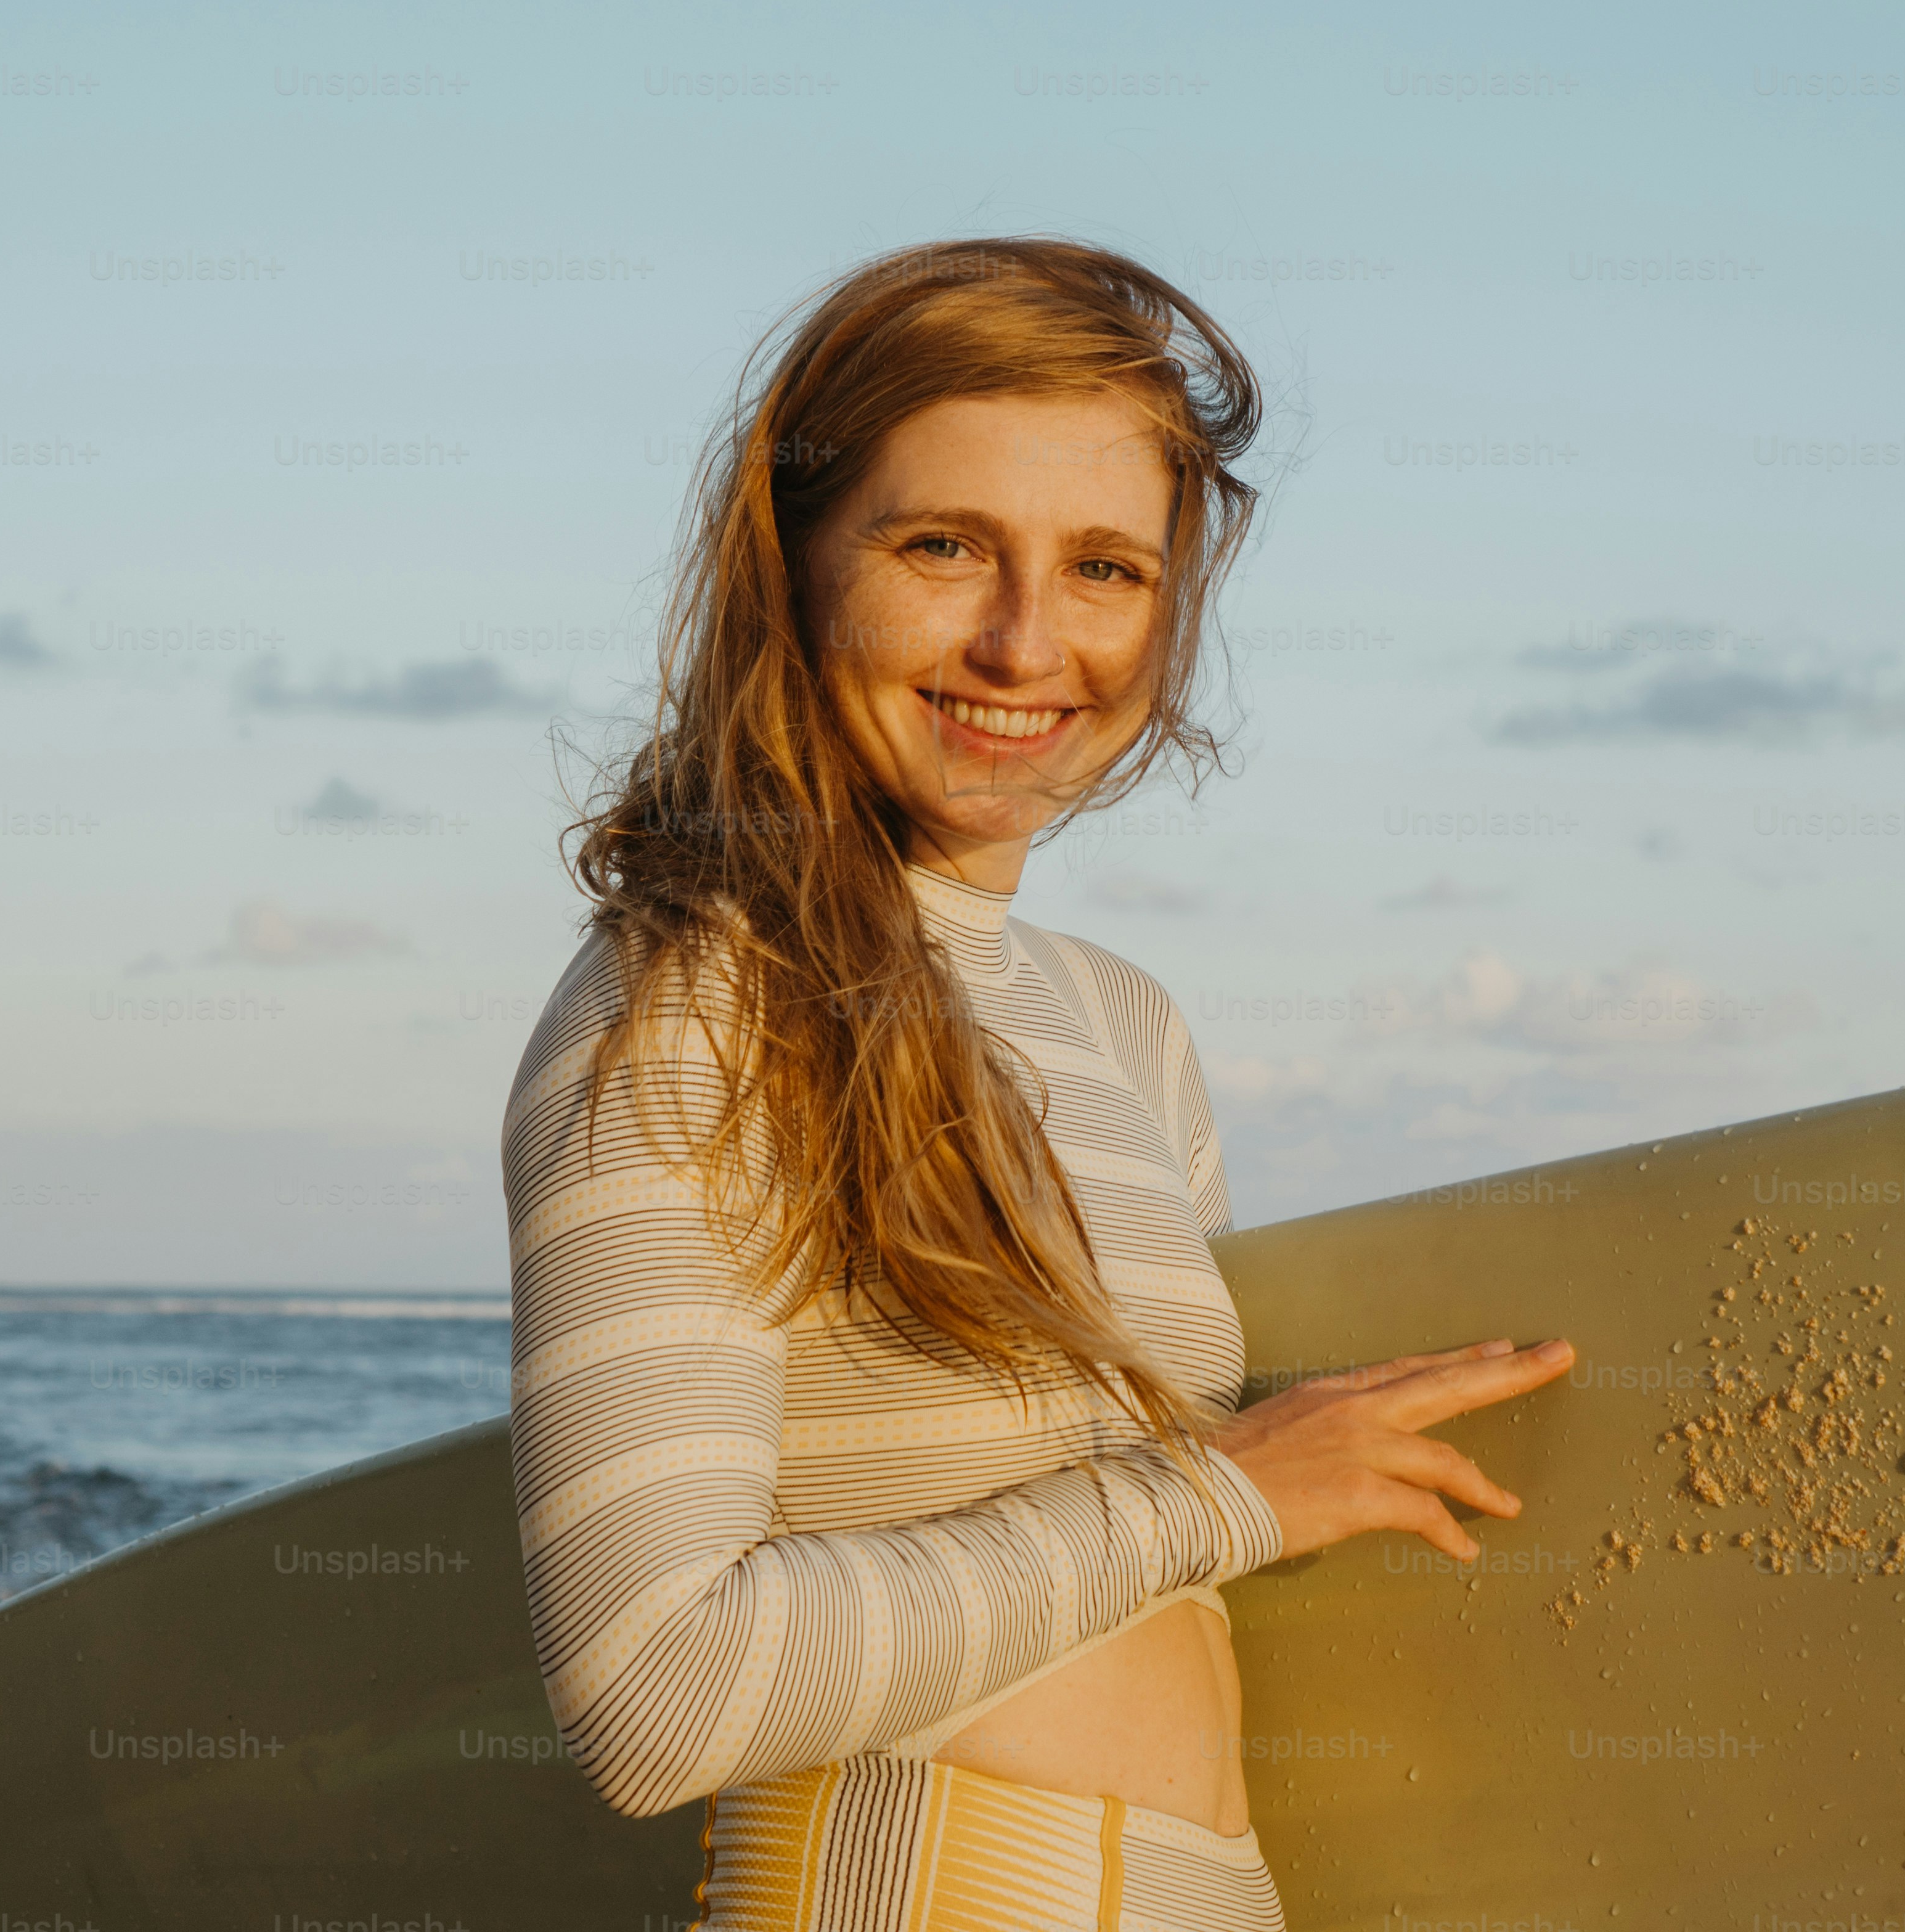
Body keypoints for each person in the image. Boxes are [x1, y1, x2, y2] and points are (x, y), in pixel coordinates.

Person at [504, 239, 1575, 1931]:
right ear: (793, 565)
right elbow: (658, 1691)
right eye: (944, 547)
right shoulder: (694, 998)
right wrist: (1226, 1489)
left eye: (1104, 569)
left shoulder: (1124, 1023)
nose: (1025, 644)